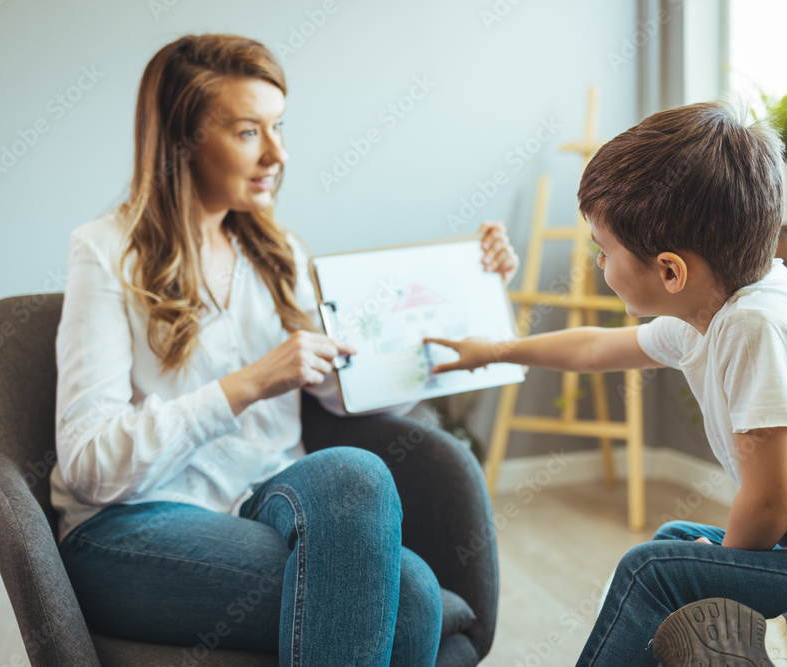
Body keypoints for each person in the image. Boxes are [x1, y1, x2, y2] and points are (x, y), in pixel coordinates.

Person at [51, 33, 518, 666]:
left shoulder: (277, 254)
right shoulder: (106, 252)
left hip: (258, 502)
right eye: (249, 132)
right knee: (409, 601)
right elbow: (88, 464)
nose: (277, 154)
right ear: (182, 142)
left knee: (355, 476)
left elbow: (349, 388)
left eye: (278, 127)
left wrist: (474, 291)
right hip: (131, 523)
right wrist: (248, 383)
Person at [426, 100, 787, 666]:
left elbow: (771, 500)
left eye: (604, 251)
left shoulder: (755, 327)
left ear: (671, 271)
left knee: (653, 571)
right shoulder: (712, 314)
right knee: (673, 541)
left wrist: (721, 566)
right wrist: (492, 352)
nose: (598, 263)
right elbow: (594, 348)